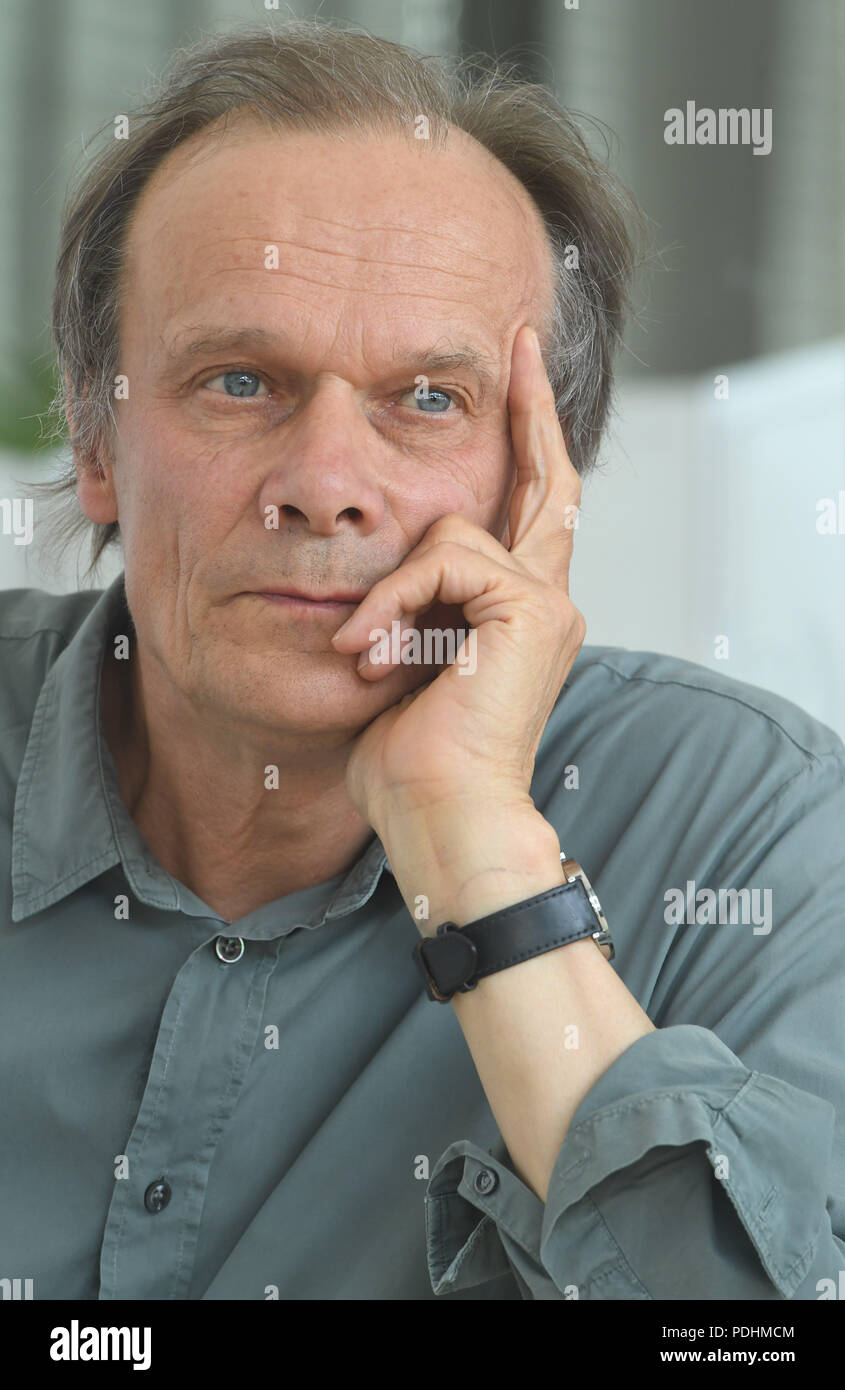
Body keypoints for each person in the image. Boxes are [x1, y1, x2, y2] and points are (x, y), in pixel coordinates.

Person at [1, 20, 843, 1301]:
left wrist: (475, 848)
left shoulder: (751, 827)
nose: (324, 484)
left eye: (429, 399)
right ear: (99, 441)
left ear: (538, 483)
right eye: (239, 381)